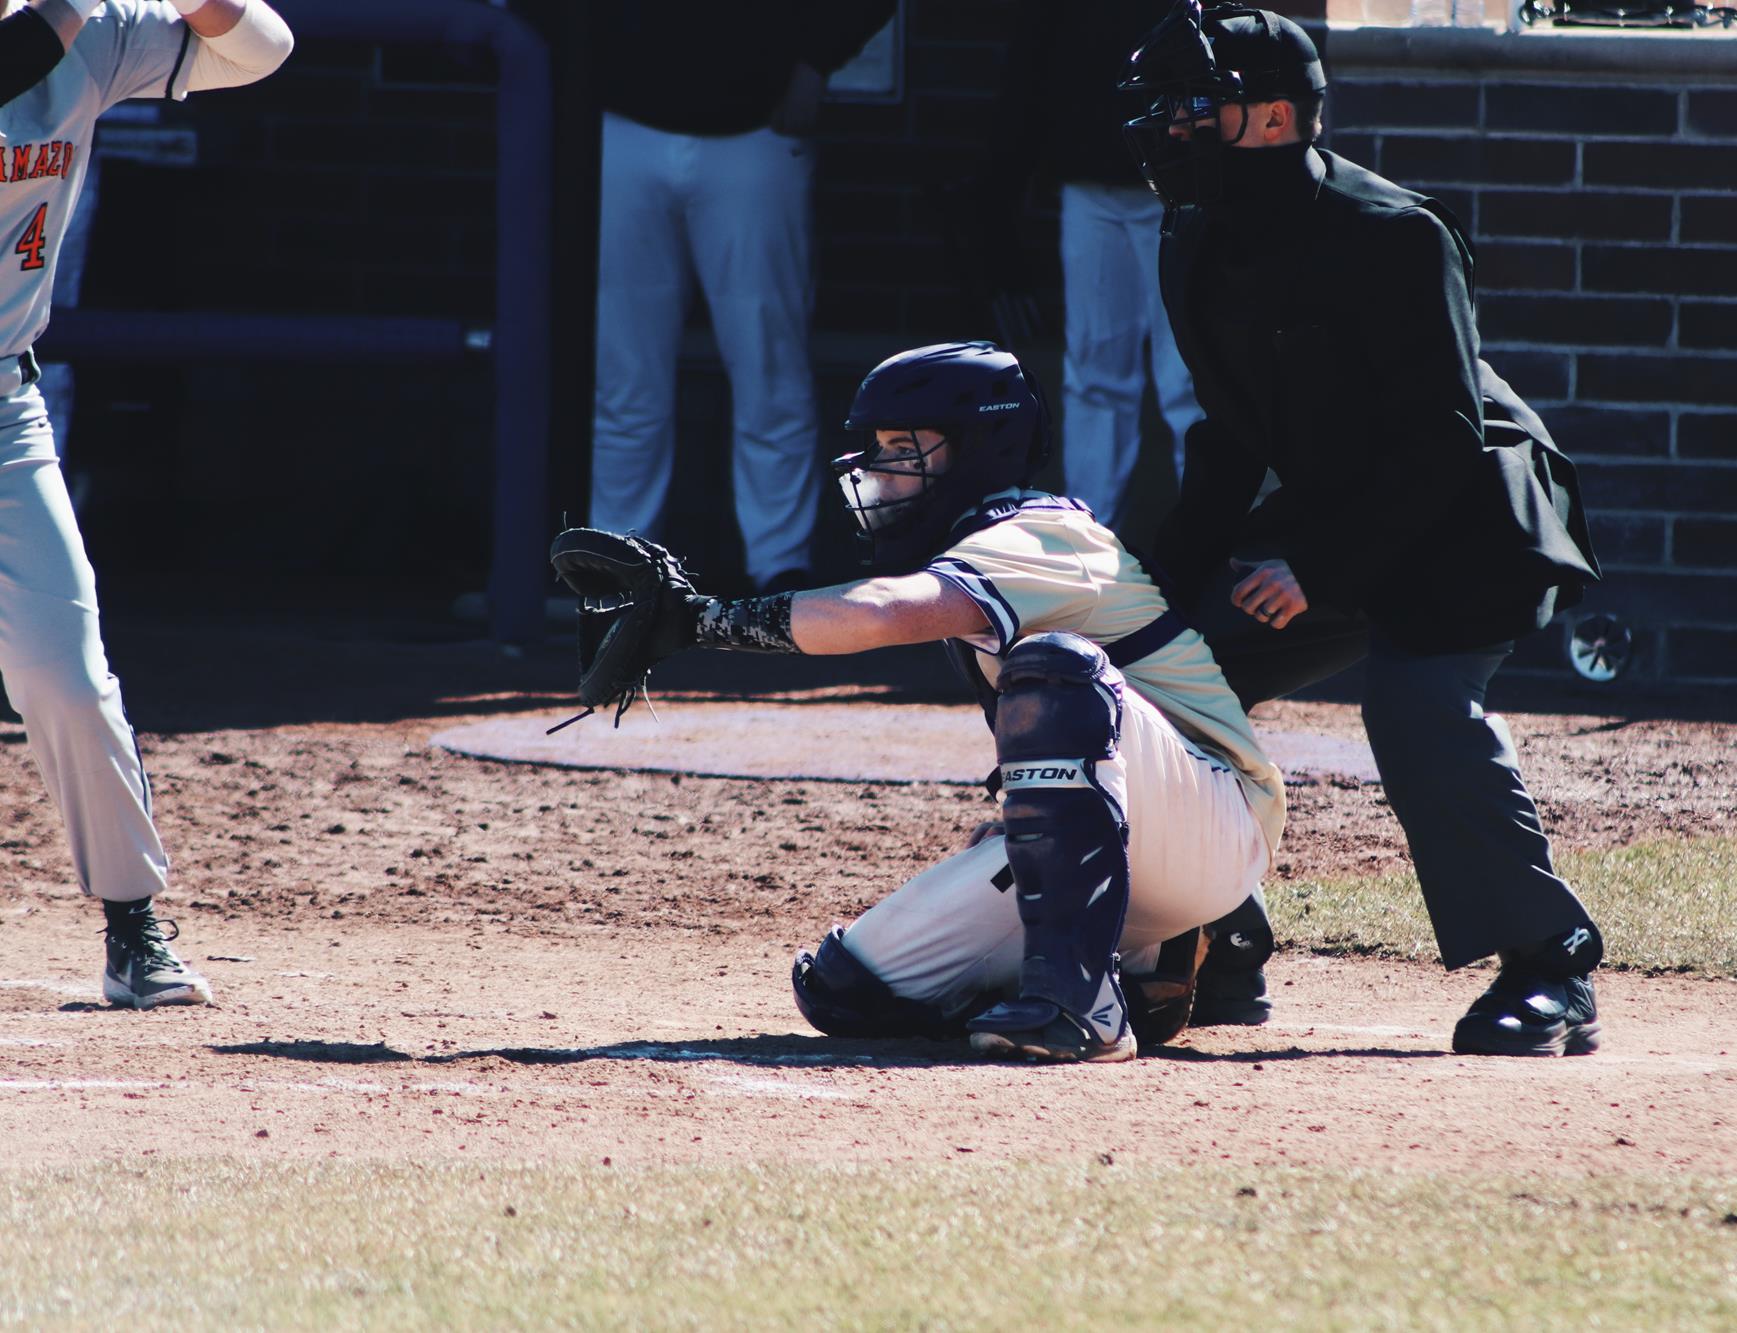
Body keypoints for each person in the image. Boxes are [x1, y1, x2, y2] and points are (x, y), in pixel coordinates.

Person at [549, 342, 1286, 1063]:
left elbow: (881, 614)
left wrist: (703, 619)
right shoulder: (981, 540)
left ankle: (1086, 1002)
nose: (878, 469)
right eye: (875, 447)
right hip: (1148, 836)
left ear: (979, 450)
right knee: (847, 992)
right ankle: (1150, 963)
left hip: (1218, 818)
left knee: (1053, 667)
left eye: (903, 446)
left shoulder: (1042, 531)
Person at [1121, 3, 1607, 1056]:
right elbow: (1227, 446)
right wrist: (1144, 609)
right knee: (1161, 680)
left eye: (1190, 107)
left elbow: (1439, 440)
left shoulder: (1392, 233)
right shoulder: (1195, 237)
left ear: (1268, 120)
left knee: (1414, 699)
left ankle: (1548, 960)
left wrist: (1316, 565)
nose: (1165, 127)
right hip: (1339, 510)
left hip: (1464, 517)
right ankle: (1216, 936)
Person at [0, 0, 293, 1008]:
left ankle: (133, 928)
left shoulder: (87, 33)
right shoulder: (57, 27)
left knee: (69, 675)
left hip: (2, 410)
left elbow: (261, 53)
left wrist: (210, 6)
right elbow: (11, 62)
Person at [588, 0, 895, 595]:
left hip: (759, 125)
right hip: (620, 120)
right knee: (623, 371)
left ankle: (778, 565)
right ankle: (616, 564)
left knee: (768, 362)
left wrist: (814, 63)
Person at [968, 0, 1202, 534]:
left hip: (1182, 181)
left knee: (1189, 376)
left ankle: (1208, 542)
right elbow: (1032, 61)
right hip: (1089, 173)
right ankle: (1090, 540)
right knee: (1096, 369)